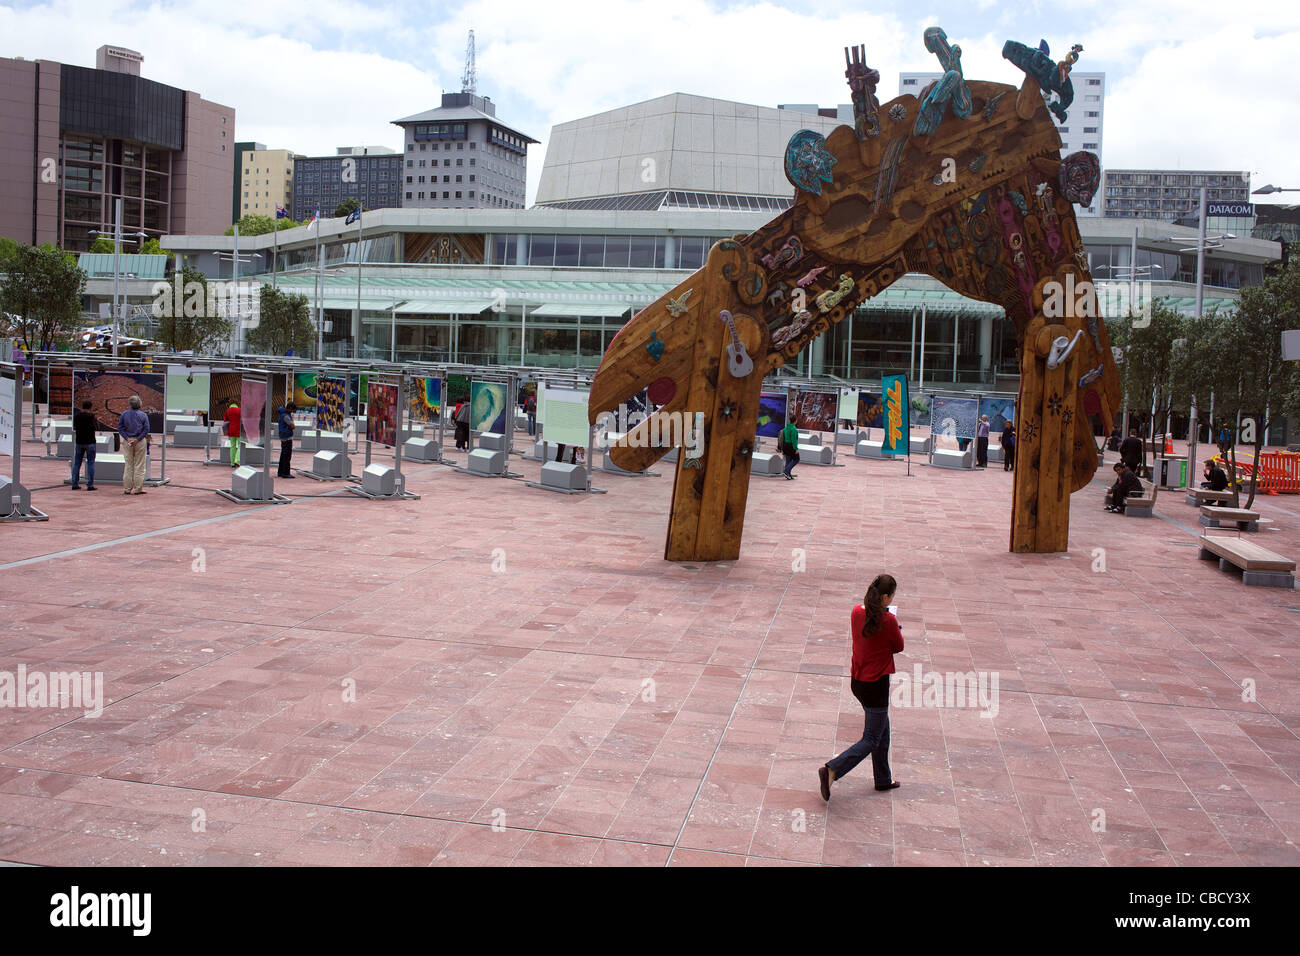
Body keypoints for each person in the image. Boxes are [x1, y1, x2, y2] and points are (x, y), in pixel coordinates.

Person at [819, 573, 903, 801]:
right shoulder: (889, 621)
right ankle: (832, 769)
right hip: (877, 685)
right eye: (892, 597)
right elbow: (898, 646)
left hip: (858, 681)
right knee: (871, 738)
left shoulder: (857, 611)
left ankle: (883, 779)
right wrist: (895, 625)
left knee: (882, 728)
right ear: (885, 597)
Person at [117, 395, 150, 495]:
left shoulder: (124, 414)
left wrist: (127, 438)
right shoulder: (143, 415)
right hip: (139, 441)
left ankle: (127, 488)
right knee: (139, 465)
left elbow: (120, 428)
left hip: (127, 441)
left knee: (128, 465)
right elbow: (146, 429)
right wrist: (138, 439)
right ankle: (138, 488)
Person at [70, 399, 98, 490]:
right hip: (90, 441)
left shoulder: (77, 416)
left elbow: (75, 426)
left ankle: (74, 483)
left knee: (77, 463)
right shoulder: (92, 416)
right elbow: (96, 427)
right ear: (90, 407)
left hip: (79, 441)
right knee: (91, 463)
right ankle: (90, 484)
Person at [277, 402, 297, 478]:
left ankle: (280, 472)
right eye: (293, 410)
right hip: (287, 437)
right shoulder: (286, 416)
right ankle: (285, 473)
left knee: (283, 455)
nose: (292, 411)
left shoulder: (281, 414)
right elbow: (292, 426)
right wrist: (292, 425)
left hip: (283, 437)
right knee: (287, 456)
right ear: (290, 408)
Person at [223, 399, 242, 466]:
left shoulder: (227, 411)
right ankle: (237, 460)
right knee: (240, 445)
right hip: (239, 430)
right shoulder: (240, 410)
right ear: (237, 404)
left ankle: (232, 463)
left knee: (232, 446)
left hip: (231, 430)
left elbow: (225, 420)